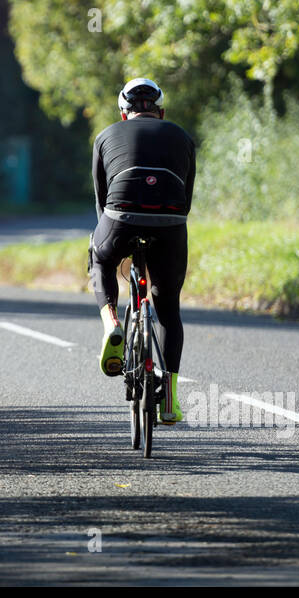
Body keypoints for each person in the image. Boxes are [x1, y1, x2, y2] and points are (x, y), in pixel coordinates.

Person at [90, 78, 196, 424]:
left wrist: (112, 240)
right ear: (161, 112)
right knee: (167, 307)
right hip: (171, 222)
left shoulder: (105, 135)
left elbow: (101, 201)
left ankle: (111, 323)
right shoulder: (181, 136)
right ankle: (170, 401)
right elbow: (187, 200)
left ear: (124, 115)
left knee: (100, 258)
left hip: (120, 216)